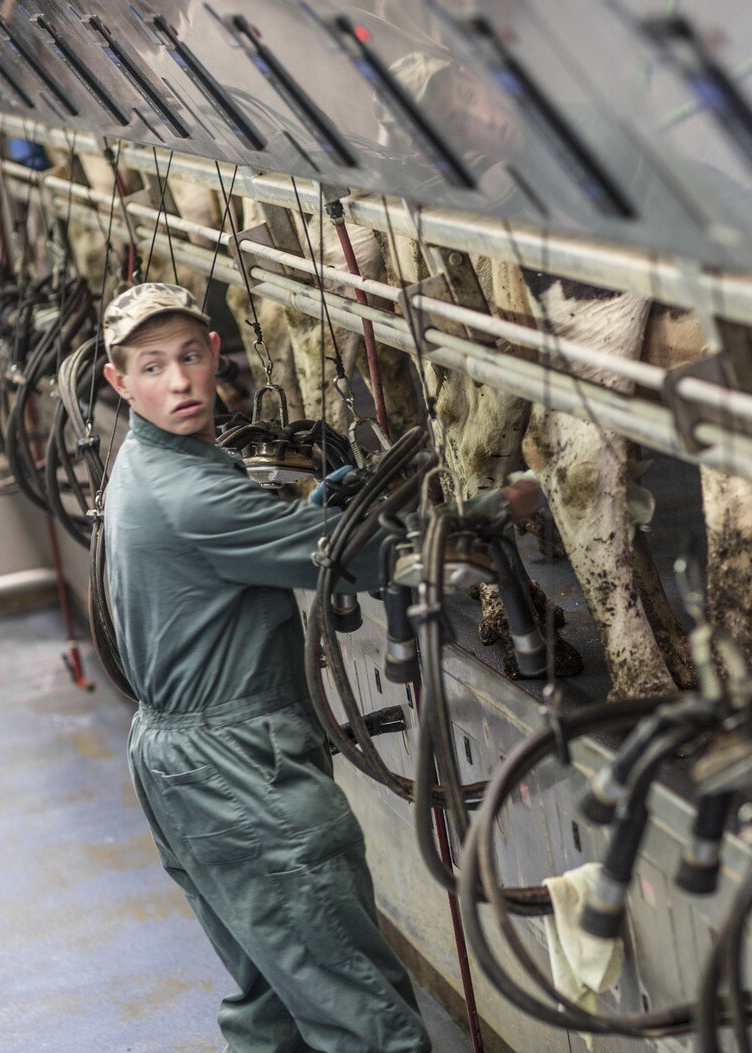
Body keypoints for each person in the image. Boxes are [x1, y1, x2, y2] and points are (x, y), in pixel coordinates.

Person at [98, 283, 541, 1053]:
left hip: (183, 766)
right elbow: (364, 558)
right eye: (153, 366)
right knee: (365, 1017)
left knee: (276, 995)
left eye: (193, 357)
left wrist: (315, 506)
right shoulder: (193, 494)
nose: (180, 381)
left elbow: (271, 527)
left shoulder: (148, 460)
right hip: (241, 774)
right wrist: (483, 514)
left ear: (214, 352)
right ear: (119, 381)